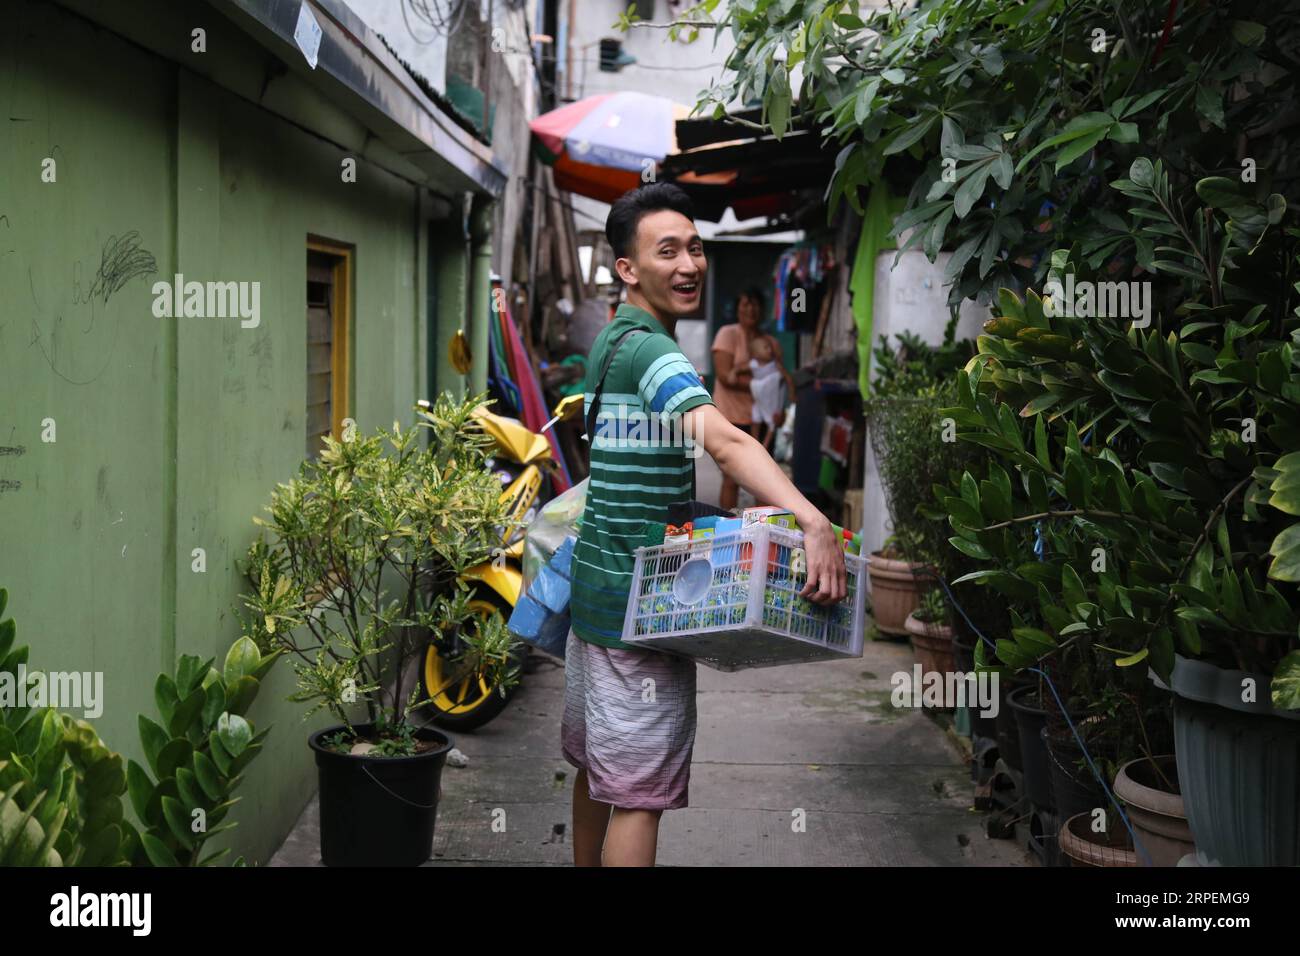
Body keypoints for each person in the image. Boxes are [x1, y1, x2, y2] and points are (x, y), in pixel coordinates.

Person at [565, 183, 847, 867]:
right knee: (638, 796)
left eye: (694, 248)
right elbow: (725, 441)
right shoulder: (654, 354)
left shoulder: (612, 340)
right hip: (639, 611)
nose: (689, 264)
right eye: (667, 251)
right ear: (628, 268)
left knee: (601, 770)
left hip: (595, 598)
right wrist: (812, 519)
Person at [710, 288, 797, 509]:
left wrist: (780, 409)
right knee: (731, 477)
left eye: (755, 305)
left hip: (763, 418)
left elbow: (779, 379)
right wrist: (761, 387)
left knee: (764, 479)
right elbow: (724, 375)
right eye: (745, 304)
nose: (751, 309)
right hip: (731, 416)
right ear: (737, 309)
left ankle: (762, 526)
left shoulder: (771, 343)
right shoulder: (727, 335)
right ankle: (726, 523)